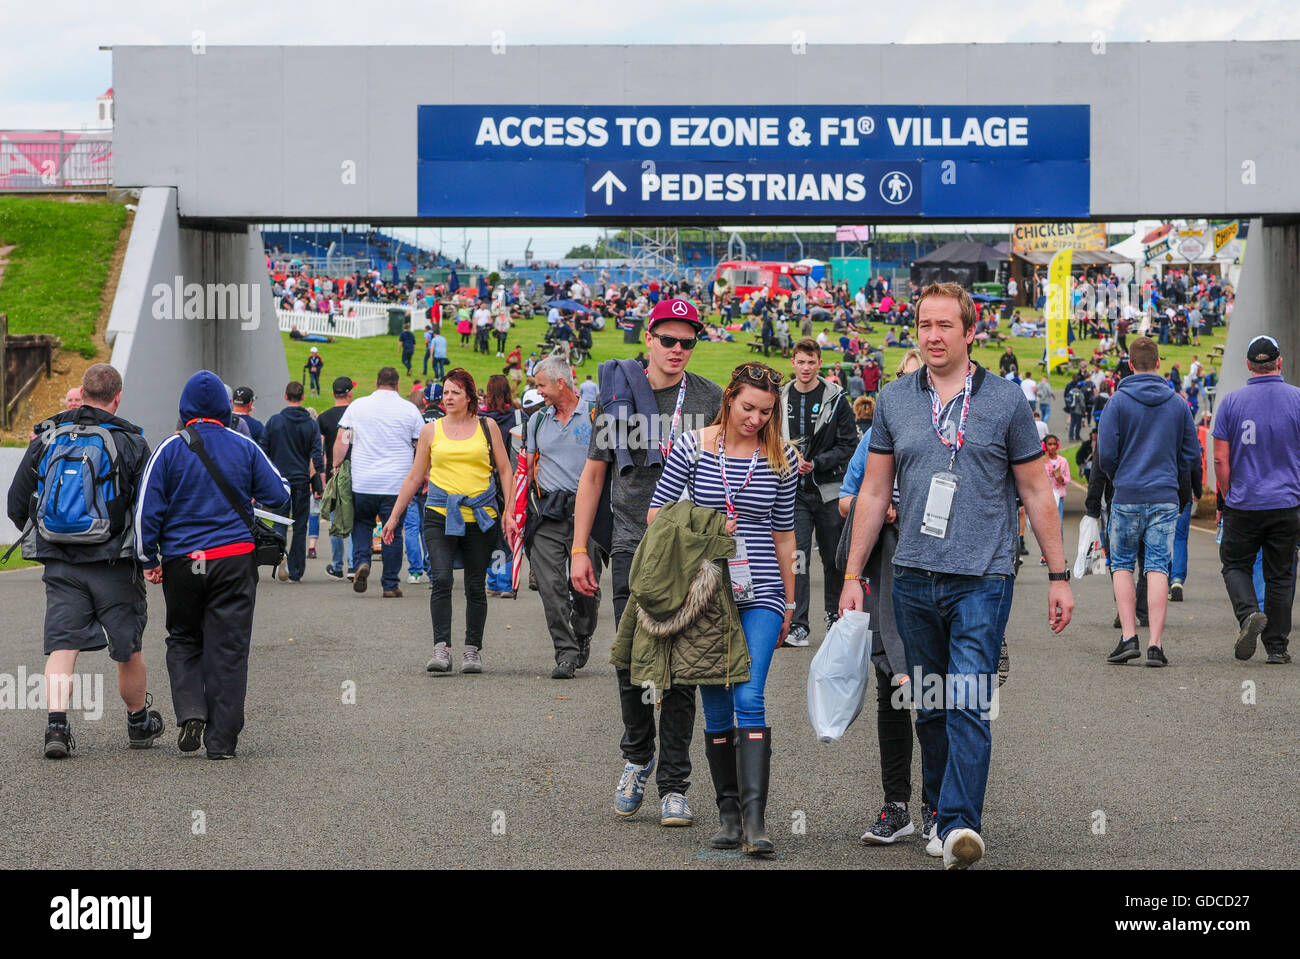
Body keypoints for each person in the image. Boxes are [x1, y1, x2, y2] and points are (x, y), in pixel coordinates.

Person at [838, 281, 1073, 870]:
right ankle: (942, 815)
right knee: (932, 704)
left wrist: (1060, 573)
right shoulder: (894, 399)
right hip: (912, 577)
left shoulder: (1005, 402)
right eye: (925, 326)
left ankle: (963, 823)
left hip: (983, 577)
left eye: (946, 326)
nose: (934, 337)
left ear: (971, 332)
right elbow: (873, 491)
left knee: (968, 697)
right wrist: (850, 573)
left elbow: (1036, 489)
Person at [570, 297, 723, 828]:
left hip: (690, 550)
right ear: (649, 339)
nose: (678, 349)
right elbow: (593, 477)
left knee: (682, 664)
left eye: (688, 341)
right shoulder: (617, 395)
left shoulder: (710, 397)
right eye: (669, 339)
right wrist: (578, 548)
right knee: (631, 658)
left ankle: (674, 783)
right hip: (633, 543)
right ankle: (638, 755)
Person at [645, 362, 797, 856]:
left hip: (763, 593)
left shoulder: (781, 458)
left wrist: (791, 601)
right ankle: (728, 814)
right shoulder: (693, 446)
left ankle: (756, 822)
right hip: (706, 593)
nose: (755, 419)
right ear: (729, 399)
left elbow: (784, 533)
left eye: (766, 412)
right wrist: (707, 529)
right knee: (714, 705)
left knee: (749, 696)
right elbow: (657, 515)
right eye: (748, 407)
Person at [6, 363, 162, 758]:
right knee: (128, 650)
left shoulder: (48, 437)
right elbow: (146, 509)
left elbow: (15, 503)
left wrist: (50, 534)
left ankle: (56, 729)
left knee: (62, 647)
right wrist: (149, 555)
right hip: (114, 564)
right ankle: (138, 722)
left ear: (83, 393)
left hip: (61, 564)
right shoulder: (131, 442)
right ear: (117, 397)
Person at [136, 370, 290, 760]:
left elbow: (145, 512)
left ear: (184, 408)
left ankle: (190, 712)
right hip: (233, 559)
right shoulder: (244, 445)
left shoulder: (169, 449)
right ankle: (221, 742)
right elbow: (280, 493)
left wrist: (148, 559)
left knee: (184, 637)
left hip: (184, 561)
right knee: (229, 648)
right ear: (225, 409)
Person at [838, 348, 941, 849]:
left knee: (937, 690)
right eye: (905, 381)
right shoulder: (882, 425)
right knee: (894, 690)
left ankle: (938, 807)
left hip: (943, 566)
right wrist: (881, 511)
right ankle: (897, 806)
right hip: (890, 565)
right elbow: (846, 500)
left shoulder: (951, 431)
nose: (912, 390)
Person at [382, 369, 517, 674]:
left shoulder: (488, 426)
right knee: (441, 579)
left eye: (455, 392)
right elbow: (416, 476)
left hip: (481, 518)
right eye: (445, 393)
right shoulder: (432, 431)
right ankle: (441, 647)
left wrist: (509, 511)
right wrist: (393, 517)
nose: (448, 398)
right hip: (439, 515)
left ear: (470, 396)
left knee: (474, 585)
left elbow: (506, 470)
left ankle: (472, 649)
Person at [1098, 336, 1199, 668]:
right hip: (1164, 495)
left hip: (1128, 492)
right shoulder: (1178, 404)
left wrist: (1120, 476)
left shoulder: (1117, 402)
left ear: (1130, 364)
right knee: (1158, 566)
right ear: (1158, 364)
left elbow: (1106, 455)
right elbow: (1190, 455)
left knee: (1123, 564)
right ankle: (1156, 643)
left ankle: (1129, 637)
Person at [1212, 335, 1300, 664]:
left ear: (1248, 364)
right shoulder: (1297, 399)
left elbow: (1221, 459)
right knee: (1281, 574)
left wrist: (1226, 495)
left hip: (1244, 502)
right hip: (1286, 502)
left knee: (1235, 564)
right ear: (1279, 362)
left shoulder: (1232, 403)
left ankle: (1249, 613)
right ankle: (1277, 647)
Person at [516, 357, 601, 679]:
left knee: (585, 588)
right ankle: (565, 652)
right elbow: (524, 469)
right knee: (550, 587)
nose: (538, 392)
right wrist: (515, 511)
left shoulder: (596, 415)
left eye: (541, 385)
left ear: (560, 383)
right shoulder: (537, 421)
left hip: (588, 516)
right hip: (547, 514)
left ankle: (582, 633)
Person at [779, 339, 858, 647]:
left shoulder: (836, 399)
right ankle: (797, 624)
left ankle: (833, 616)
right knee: (796, 558)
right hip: (792, 492)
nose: (806, 368)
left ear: (820, 362)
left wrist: (816, 463)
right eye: (801, 362)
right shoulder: (780, 396)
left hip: (827, 491)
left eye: (811, 362)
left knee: (832, 557)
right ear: (793, 363)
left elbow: (848, 445)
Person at [335, 367, 425, 598]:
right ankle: (390, 583)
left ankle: (362, 561)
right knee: (392, 531)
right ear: (397, 384)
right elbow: (421, 446)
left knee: (362, 524)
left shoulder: (358, 406)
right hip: (397, 483)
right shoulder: (409, 410)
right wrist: (425, 474)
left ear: (377, 382)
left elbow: (343, 439)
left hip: (363, 480)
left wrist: (336, 465)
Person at [260, 381, 325, 583]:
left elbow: (264, 450)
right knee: (300, 524)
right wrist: (318, 484)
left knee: (279, 521)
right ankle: (296, 570)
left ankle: (281, 555)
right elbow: (316, 455)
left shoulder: (274, 422)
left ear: (286, 396)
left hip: (279, 480)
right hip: (301, 479)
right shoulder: (311, 424)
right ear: (303, 397)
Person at [482, 375, 522, 598]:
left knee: (490, 529)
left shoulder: (480, 418)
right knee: (510, 528)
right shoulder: (518, 416)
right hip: (513, 478)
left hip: (486, 480)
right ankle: (507, 580)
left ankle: (494, 579)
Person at [318, 376, 354, 579]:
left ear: (333, 394)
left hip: (335, 471)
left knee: (335, 517)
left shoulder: (324, 418)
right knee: (355, 519)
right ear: (350, 393)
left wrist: (324, 473)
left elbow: (322, 449)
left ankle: (337, 564)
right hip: (355, 470)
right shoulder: (356, 414)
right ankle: (354, 564)